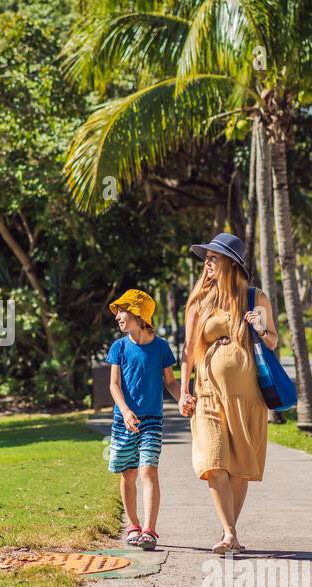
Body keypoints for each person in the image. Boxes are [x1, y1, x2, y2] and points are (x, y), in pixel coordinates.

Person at [178, 233, 278, 554]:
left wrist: (258, 328)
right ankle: (229, 532)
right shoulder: (198, 303)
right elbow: (190, 350)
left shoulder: (255, 298)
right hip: (207, 394)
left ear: (231, 263)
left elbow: (273, 340)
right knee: (214, 462)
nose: (207, 263)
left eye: (214, 257)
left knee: (239, 467)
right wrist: (183, 391)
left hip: (247, 398)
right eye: (206, 257)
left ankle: (229, 534)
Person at [105, 289, 183, 550]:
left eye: (122, 311)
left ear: (139, 315)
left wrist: (184, 397)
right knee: (128, 473)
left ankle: (149, 530)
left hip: (152, 420)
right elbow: (114, 385)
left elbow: (170, 382)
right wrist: (125, 411)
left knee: (148, 470)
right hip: (123, 419)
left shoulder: (160, 347)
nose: (117, 316)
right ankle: (133, 525)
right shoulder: (119, 347)